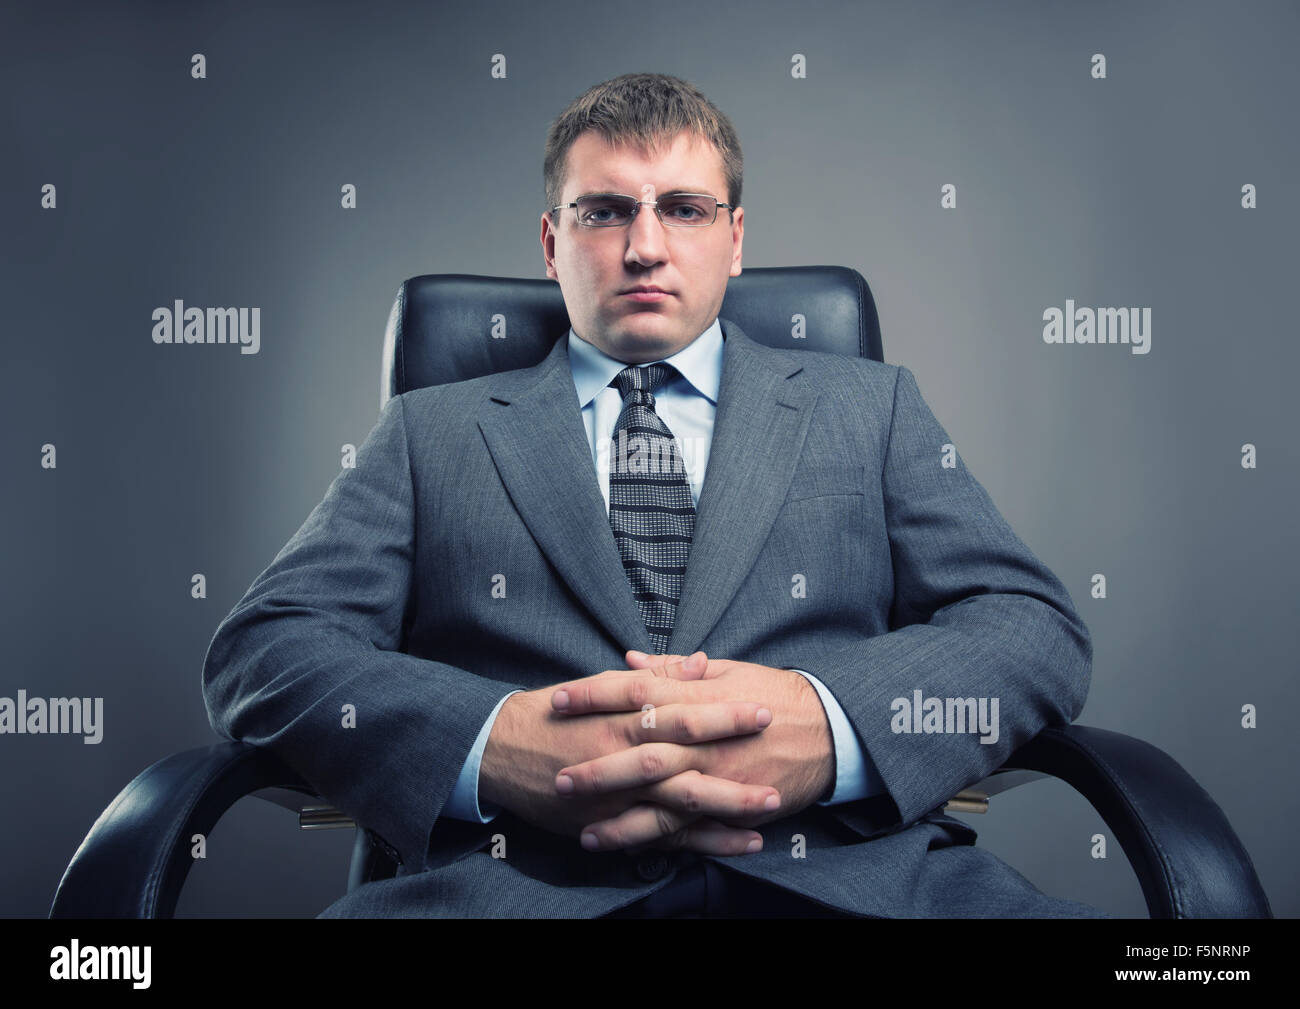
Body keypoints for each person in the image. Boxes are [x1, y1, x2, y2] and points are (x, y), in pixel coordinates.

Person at [202, 72, 1105, 917]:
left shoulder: (871, 411)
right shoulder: (426, 433)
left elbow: (1031, 626)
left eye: (684, 208)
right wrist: (496, 742)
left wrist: (830, 726)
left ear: (736, 238)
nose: (645, 246)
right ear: (553, 243)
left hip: (854, 887)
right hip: (515, 895)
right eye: (604, 212)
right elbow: (264, 650)